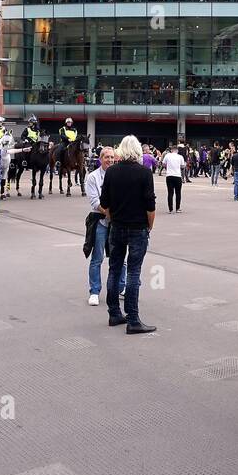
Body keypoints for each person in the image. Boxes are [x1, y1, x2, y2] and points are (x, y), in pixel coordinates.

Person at [99, 135, 157, 334]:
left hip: (117, 226)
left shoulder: (112, 172)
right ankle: (133, 319)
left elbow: (104, 203)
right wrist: (149, 226)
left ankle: (114, 313)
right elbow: (150, 205)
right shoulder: (144, 173)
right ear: (138, 151)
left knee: (114, 269)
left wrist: (112, 218)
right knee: (133, 272)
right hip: (137, 227)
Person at [84, 146, 127, 306]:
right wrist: (110, 214)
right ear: (100, 159)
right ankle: (94, 291)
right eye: (106, 157)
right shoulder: (93, 177)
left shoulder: (118, 175)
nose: (109, 160)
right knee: (97, 258)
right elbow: (95, 201)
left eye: (111, 157)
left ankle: (121, 287)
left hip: (117, 221)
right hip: (101, 221)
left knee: (121, 257)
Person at [163, 144, 186, 213]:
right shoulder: (180, 157)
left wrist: (167, 168)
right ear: (177, 150)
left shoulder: (167, 155)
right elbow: (182, 166)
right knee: (178, 193)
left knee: (170, 193)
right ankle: (177, 208)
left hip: (169, 176)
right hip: (177, 176)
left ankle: (170, 209)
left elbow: (163, 164)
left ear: (171, 150)